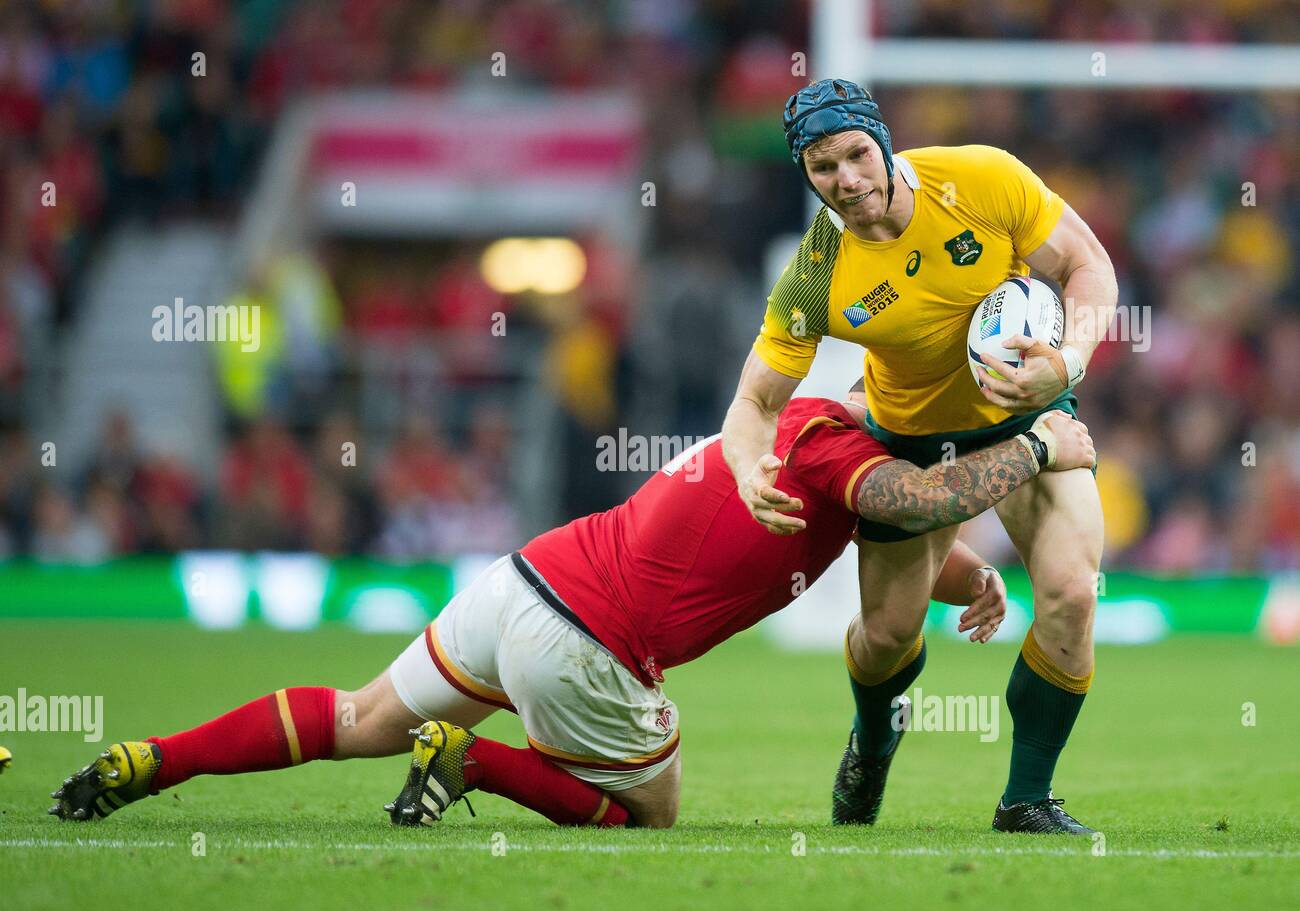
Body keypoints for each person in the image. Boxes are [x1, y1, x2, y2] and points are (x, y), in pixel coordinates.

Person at [49, 393, 1093, 829]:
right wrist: (1040, 444)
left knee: (357, 718)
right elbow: (907, 505)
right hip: (589, 641)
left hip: (524, 577)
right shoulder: (845, 454)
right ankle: (466, 759)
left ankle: (155, 759)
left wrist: (975, 577)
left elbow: (903, 537)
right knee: (654, 809)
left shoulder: (801, 427)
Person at [720, 79, 1118, 834]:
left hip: (1030, 406)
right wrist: (747, 466)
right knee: (885, 638)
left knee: (1072, 592)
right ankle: (872, 741)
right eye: (822, 166)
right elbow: (755, 403)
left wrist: (1064, 364)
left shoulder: (980, 179)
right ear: (805, 174)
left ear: (884, 141)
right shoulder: (816, 271)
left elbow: (1088, 264)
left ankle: (1026, 797)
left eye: (857, 155)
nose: (846, 179)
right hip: (912, 442)